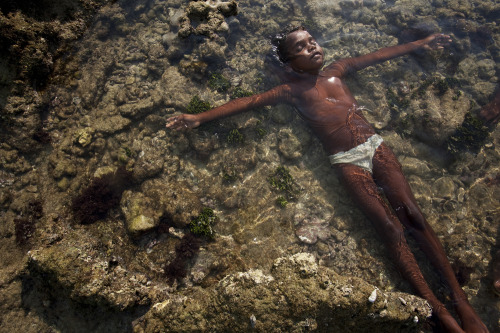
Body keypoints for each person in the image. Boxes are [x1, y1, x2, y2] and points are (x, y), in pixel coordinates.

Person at [166, 26, 488, 333]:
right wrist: (199, 118)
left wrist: (421, 44)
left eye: (312, 40)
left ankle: (463, 306)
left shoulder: (338, 69)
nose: (312, 47)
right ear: (290, 63)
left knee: (414, 217)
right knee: (390, 229)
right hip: (348, 163)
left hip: (376, 147)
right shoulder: (290, 92)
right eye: (301, 47)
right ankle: (439, 310)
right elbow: (248, 103)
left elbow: (379, 55)